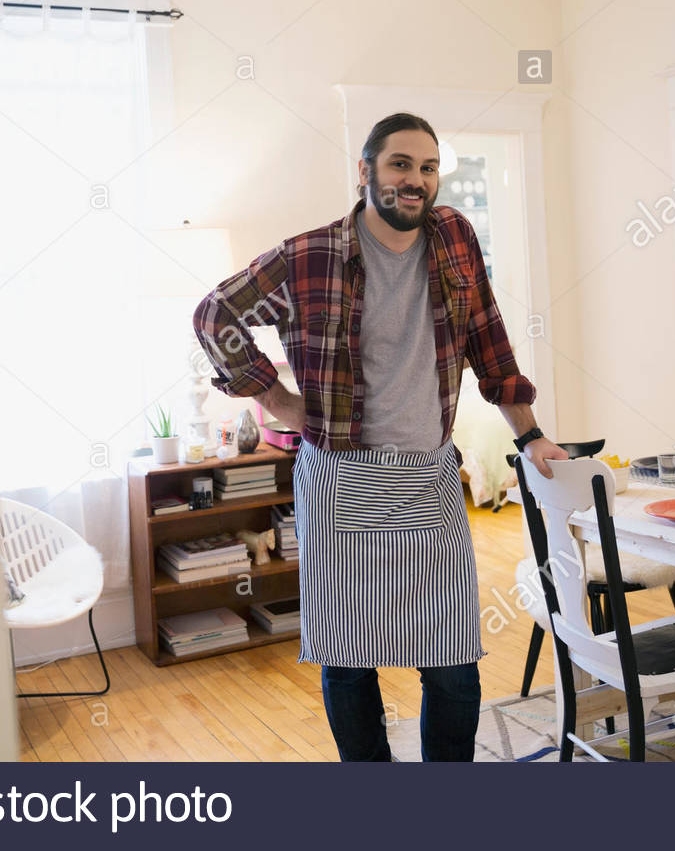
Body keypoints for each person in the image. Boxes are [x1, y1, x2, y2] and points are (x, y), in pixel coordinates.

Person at [192, 112, 566, 761]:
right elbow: (214, 313)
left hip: (428, 478)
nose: (415, 180)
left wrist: (531, 436)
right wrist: (274, 396)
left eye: (428, 168)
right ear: (365, 172)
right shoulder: (309, 256)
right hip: (342, 480)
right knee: (348, 661)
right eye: (400, 164)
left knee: (452, 663)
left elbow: (489, 341)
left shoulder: (453, 238)